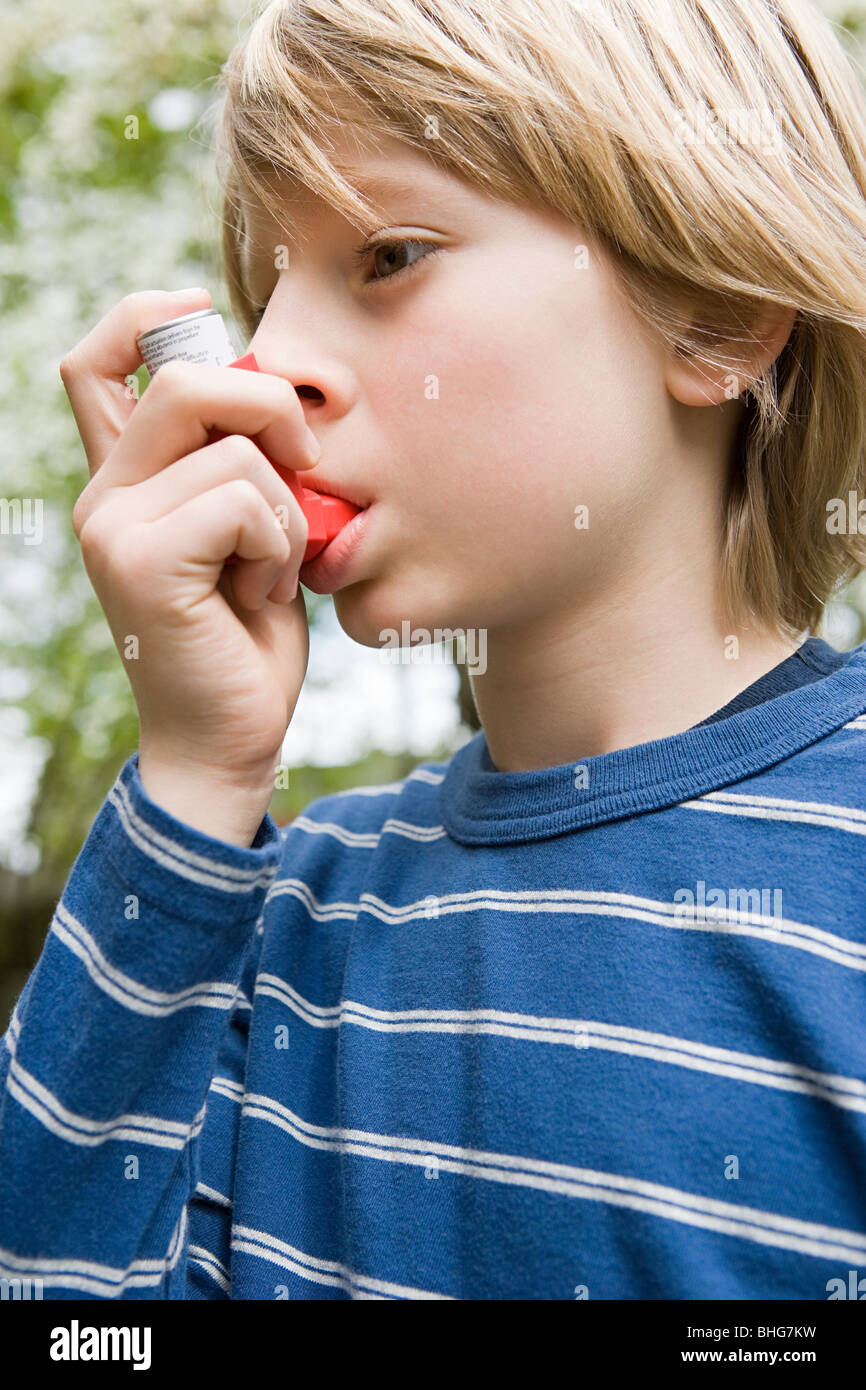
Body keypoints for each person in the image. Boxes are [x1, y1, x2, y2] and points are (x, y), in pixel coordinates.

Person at [2, 0, 866, 1299]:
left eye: (389, 254)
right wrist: (193, 769)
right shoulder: (269, 915)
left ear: (717, 313)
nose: (271, 356)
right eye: (267, 285)